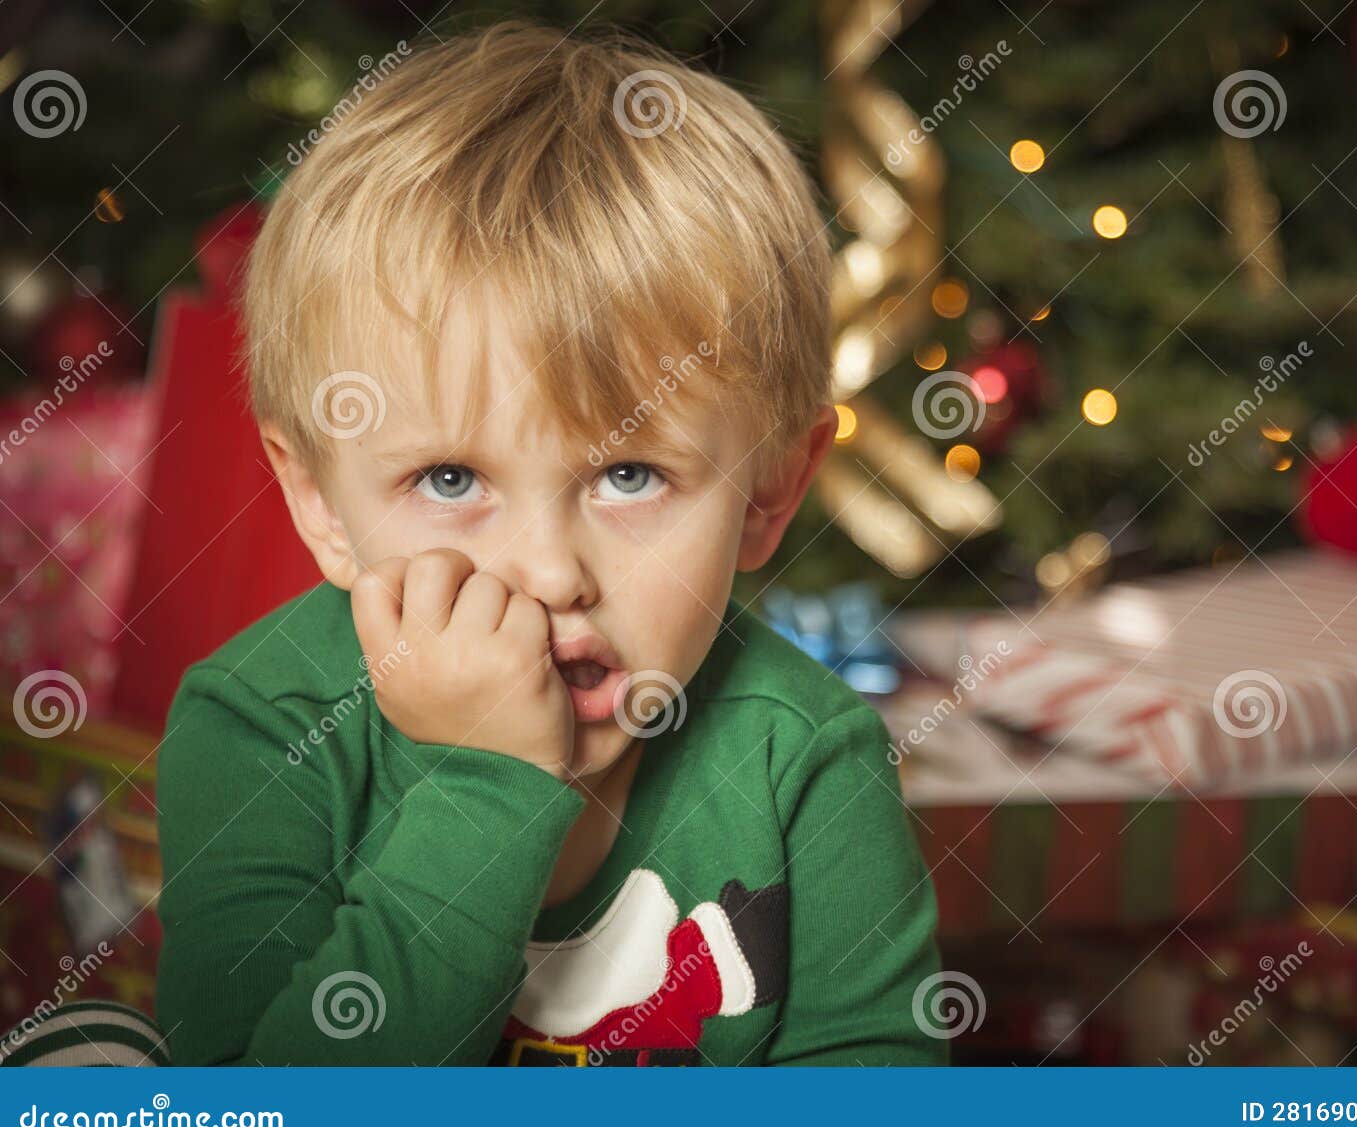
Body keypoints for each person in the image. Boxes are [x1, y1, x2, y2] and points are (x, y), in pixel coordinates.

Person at [153, 19, 945, 1066]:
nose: (548, 572)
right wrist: (488, 784)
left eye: (629, 475)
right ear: (323, 507)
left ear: (769, 491)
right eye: (449, 478)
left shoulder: (806, 759)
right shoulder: (262, 727)